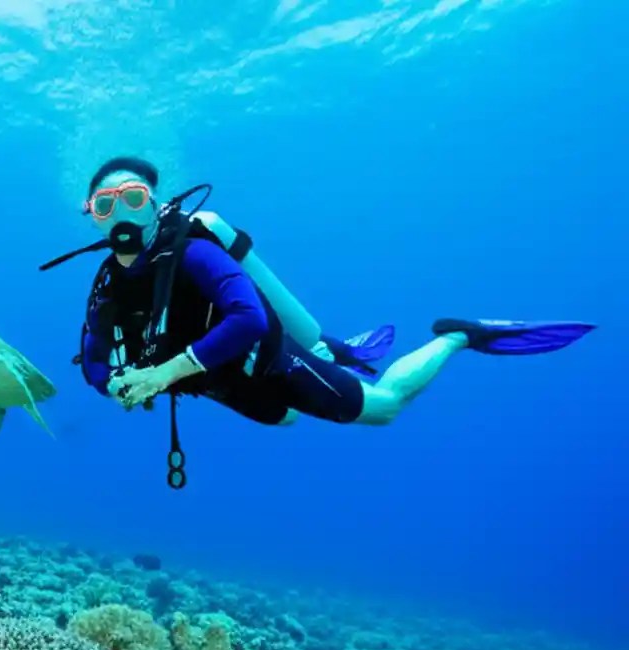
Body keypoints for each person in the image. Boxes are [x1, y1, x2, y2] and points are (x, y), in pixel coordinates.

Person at [39, 157, 595, 485]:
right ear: (90, 216)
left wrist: (162, 375)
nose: (122, 215)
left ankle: (456, 335)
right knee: (284, 423)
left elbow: (249, 317)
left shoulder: (192, 253)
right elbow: (90, 354)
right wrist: (111, 384)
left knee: (383, 409)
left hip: (264, 358)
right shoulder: (107, 283)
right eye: (105, 204)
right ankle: (333, 348)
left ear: (156, 205)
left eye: (133, 198)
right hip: (220, 383)